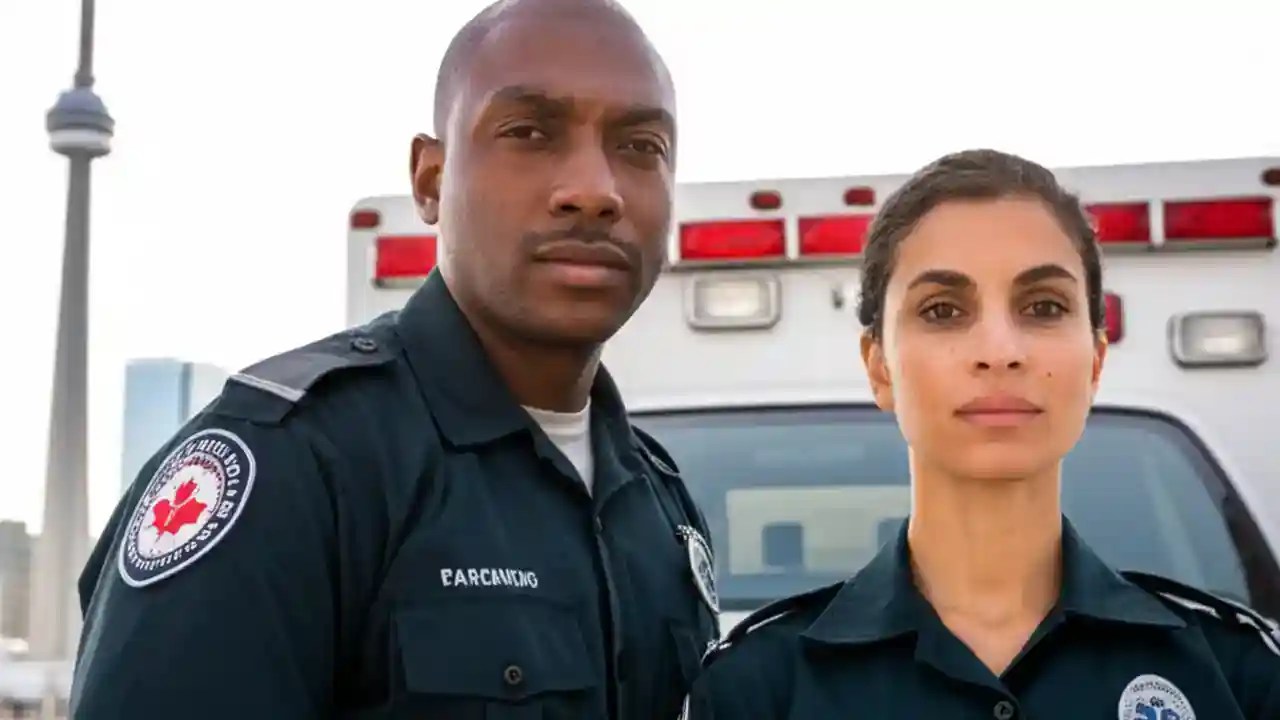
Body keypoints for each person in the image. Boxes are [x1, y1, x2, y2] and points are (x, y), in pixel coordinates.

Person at [70, 1, 720, 717]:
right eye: (529, 132)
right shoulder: (292, 469)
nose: (594, 190)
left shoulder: (660, 503)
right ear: (431, 180)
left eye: (640, 147)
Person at [681, 149, 1280, 720]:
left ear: (1095, 361)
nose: (1000, 351)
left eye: (1043, 306)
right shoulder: (755, 690)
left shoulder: (1241, 675)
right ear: (879, 366)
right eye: (943, 310)